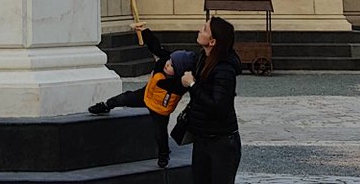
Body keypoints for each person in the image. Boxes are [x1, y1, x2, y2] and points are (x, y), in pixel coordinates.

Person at [86, 22, 189, 167]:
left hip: (160, 109)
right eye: (169, 61)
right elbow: (156, 47)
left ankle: (163, 156)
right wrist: (145, 32)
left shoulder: (179, 84)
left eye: (172, 65)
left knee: (160, 133)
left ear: (179, 71)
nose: (167, 64)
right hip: (147, 94)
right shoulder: (165, 61)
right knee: (124, 98)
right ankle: (105, 105)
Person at [176, 14, 243, 184]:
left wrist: (192, 85)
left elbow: (218, 106)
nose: (200, 30)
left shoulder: (224, 69)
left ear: (212, 41)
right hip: (202, 137)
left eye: (205, 29)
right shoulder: (202, 59)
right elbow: (171, 57)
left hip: (221, 142)